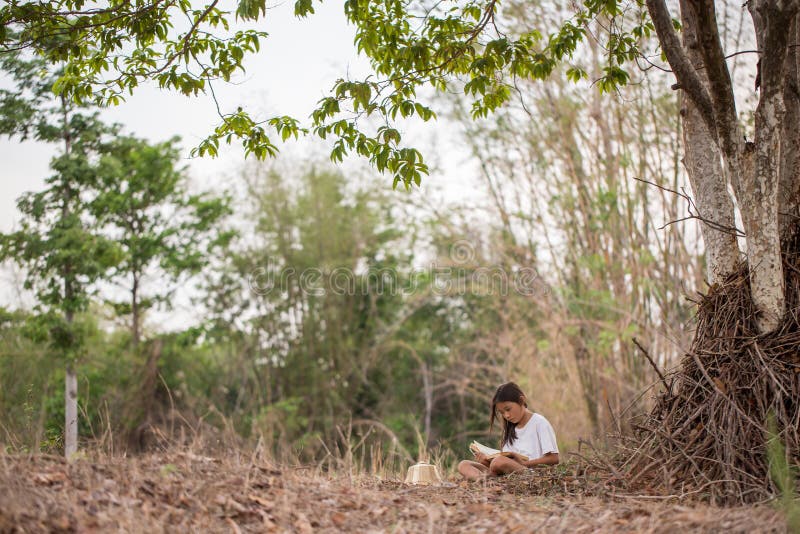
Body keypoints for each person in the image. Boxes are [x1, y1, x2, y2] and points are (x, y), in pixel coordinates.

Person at [458, 382, 559, 480]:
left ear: (521, 401)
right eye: (502, 412)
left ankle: (487, 480)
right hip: (506, 474)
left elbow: (554, 459)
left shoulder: (539, 423)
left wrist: (524, 464)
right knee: (464, 464)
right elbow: (502, 465)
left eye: (508, 409)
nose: (506, 415)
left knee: (499, 461)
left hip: (529, 472)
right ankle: (484, 481)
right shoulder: (510, 429)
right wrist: (486, 461)